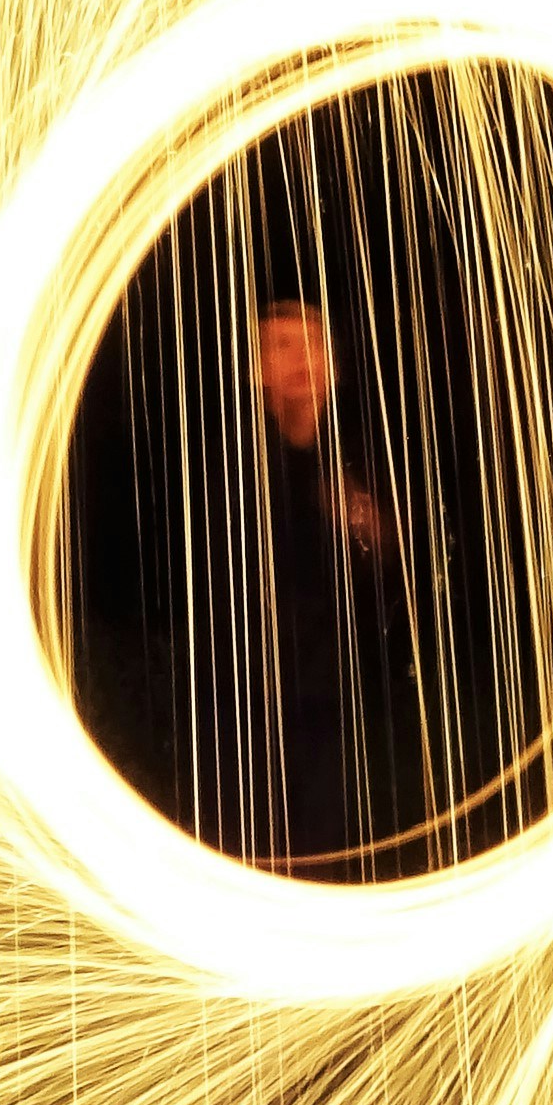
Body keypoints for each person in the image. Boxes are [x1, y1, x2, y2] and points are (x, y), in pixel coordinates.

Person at [237, 294, 410, 870]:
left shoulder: (379, 448)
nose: (300, 362)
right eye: (280, 347)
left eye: (312, 345)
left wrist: (369, 524)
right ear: (255, 368)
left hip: (350, 695)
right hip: (243, 697)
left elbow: (415, 560)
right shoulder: (234, 464)